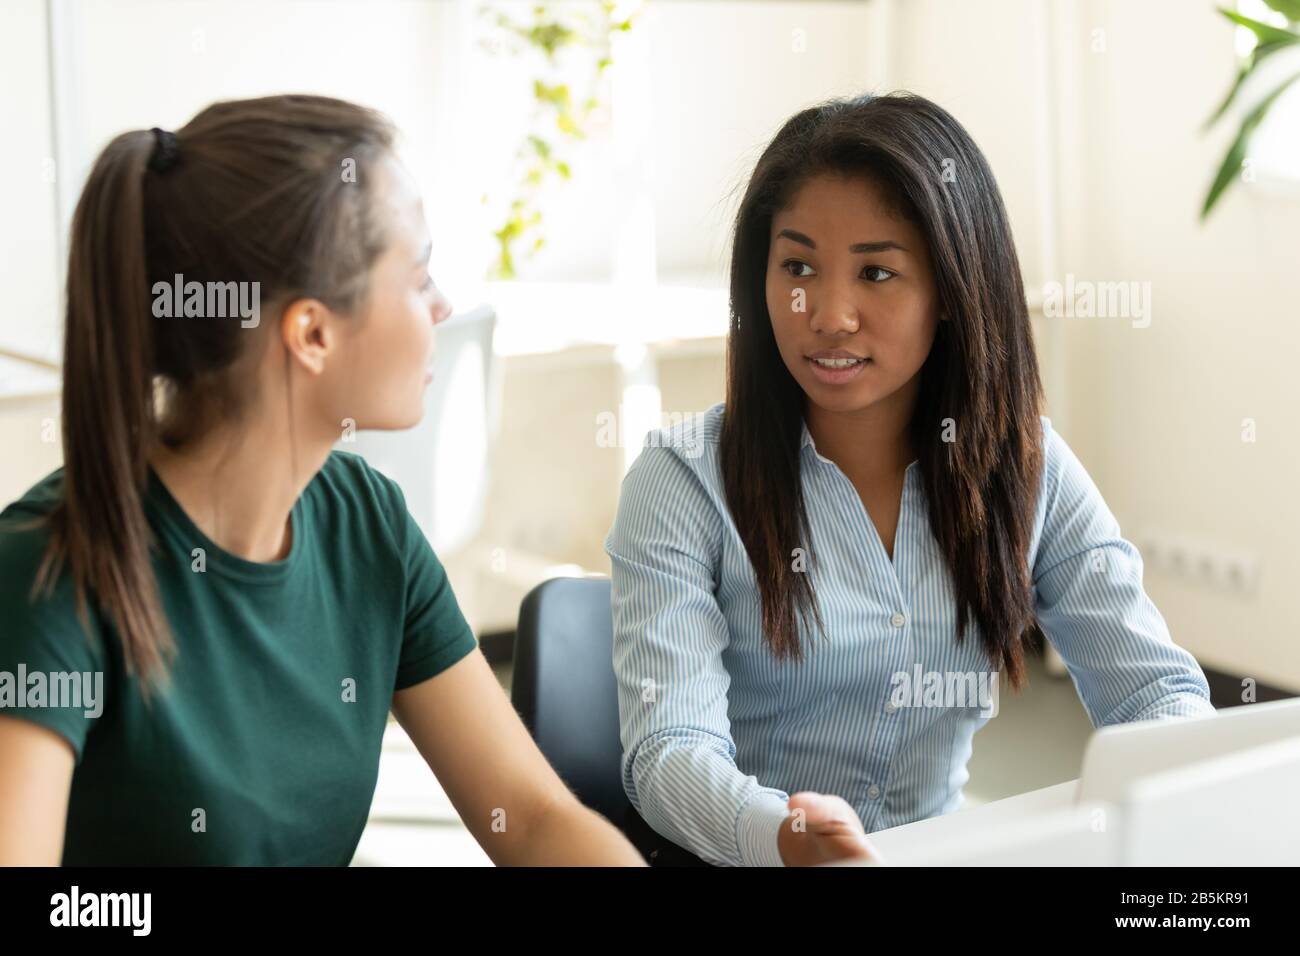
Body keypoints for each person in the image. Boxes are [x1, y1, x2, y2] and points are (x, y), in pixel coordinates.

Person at [0, 94, 644, 866]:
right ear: (312, 333)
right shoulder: (44, 573)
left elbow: (534, 820)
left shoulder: (368, 524)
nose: (442, 306)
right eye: (419, 276)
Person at [606, 91, 1215, 868]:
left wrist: (1177, 785)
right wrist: (786, 836)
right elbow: (669, 752)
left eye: (877, 273)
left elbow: (1153, 693)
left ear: (955, 291)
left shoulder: (1024, 466)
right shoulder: (682, 482)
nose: (828, 313)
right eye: (797, 266)